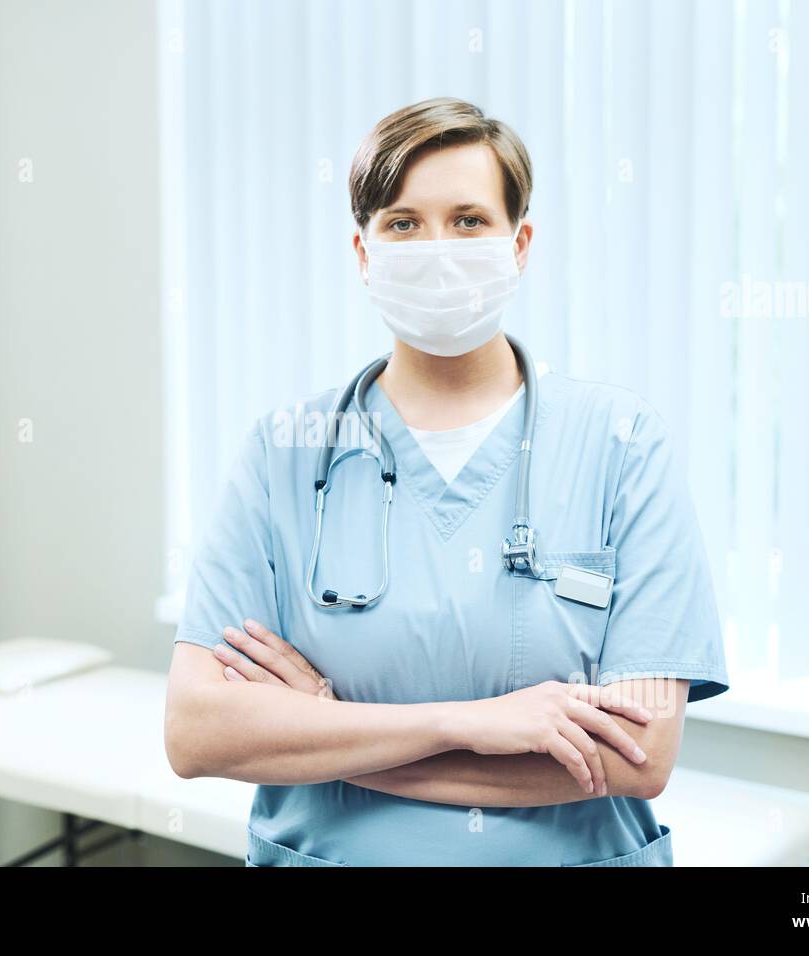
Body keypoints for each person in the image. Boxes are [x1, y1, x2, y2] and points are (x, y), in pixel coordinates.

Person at [163, 96, 730, 866]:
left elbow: (638, 755)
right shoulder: (284, 454)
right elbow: (198, 733)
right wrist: (470, 724)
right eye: (403, 223)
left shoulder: (621, 445)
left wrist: (327, 729)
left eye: (468, 220)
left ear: (519, 243)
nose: (437, 248)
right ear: (364, 253)